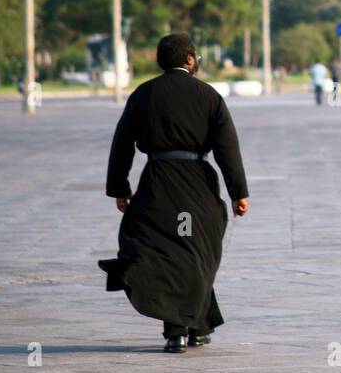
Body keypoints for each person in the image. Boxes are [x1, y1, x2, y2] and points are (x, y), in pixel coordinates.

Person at [98, 33, 249, 354]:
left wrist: (120, 188)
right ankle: (179, 329)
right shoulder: (209, 96)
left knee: (167, 251)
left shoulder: (144, 94)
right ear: (191, 59)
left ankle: (196, 325)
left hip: (156, 184)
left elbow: (121, 144)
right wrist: (238, 193)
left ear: (159, 60)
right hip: (198, 186)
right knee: (195, 252)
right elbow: (227, 148)